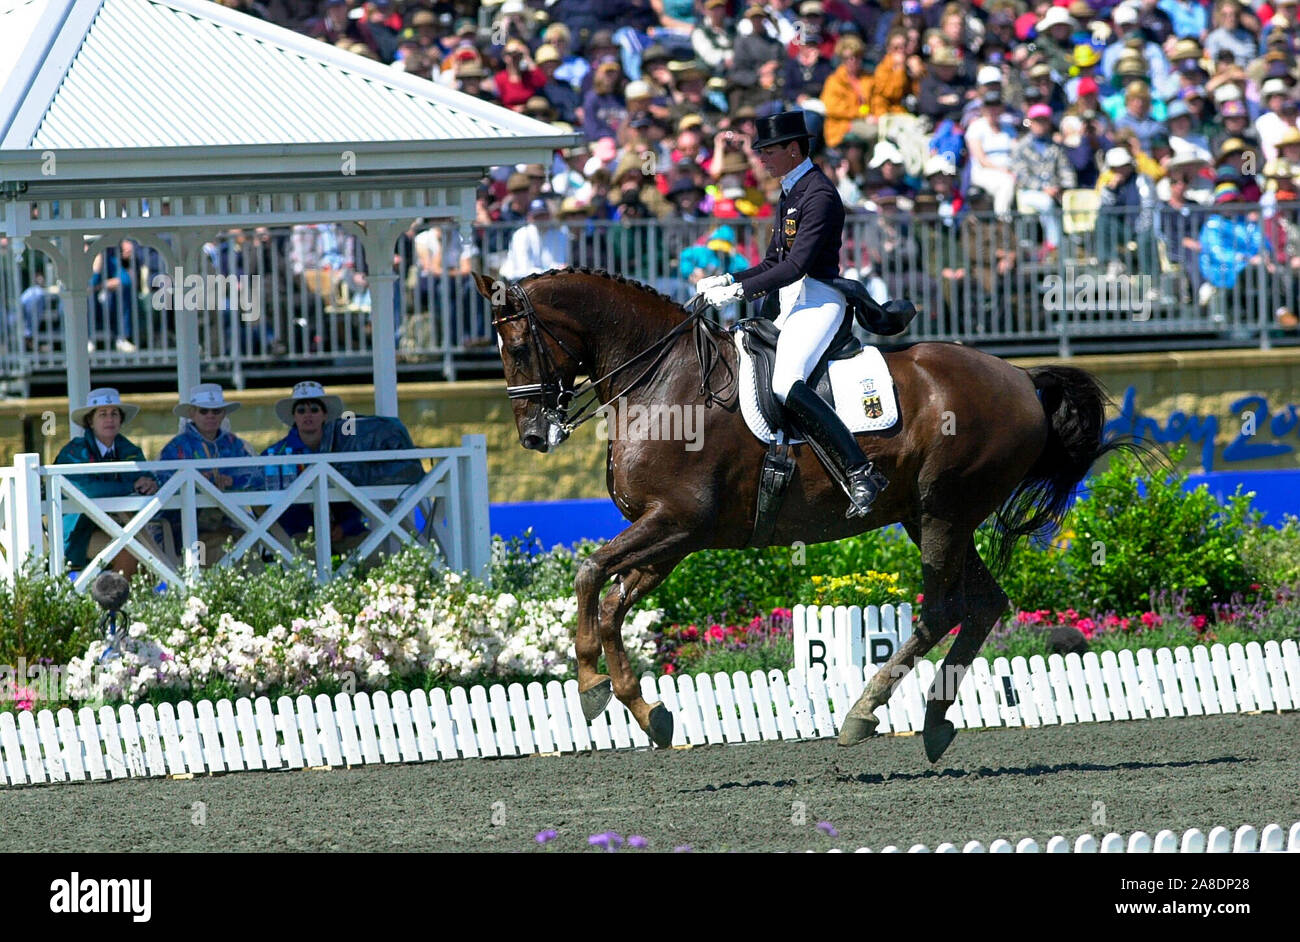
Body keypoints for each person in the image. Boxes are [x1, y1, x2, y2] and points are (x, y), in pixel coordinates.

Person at [693, 110, 887, 518]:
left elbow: (796, 265)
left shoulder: (818, 194)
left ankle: (860, 472)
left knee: (785, 382)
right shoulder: (790, 191)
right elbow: (771, 264)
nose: (760, 158)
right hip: (789, 300)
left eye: (768, 150)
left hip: (819, 298)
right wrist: (725, 277)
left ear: (793, 149)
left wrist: (738, 292)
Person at [54, 388, 161, 577]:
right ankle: (112, 603)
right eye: (102, 414)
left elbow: (144, 477)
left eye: (114, 414)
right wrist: (131, 486)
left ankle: (135, 603)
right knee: (129, 552)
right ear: (90, 421)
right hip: (78, 532)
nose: (109, 419)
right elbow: (86, 490)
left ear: (121, 420)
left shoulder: (129, 450)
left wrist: (151, 483)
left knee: (151, 554)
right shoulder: (74, 452)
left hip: (123, 526)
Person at [158, 384, 266, 564]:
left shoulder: (234, 444)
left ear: (223, 414)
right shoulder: (176, 447)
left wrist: (233, 481)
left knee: (246, 542)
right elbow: (163, 484)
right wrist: (198, 485)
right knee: (235, 547)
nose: (210, 416)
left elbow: (257, 476)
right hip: (186, 532)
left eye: (216, 411)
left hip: (230, 523)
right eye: (204, 411)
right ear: (192, 413)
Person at [262, 381, 368, 551]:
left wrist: (344, 526)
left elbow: (358, 494)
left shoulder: (343, 449)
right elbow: (267, 503)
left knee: (374, 552)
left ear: (325, 415)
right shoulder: (274, 454)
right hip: (297, 532)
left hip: (344, 529)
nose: (307, 415)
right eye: (301, 411)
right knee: (307, 562)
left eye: (314, 410)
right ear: (294, 417)